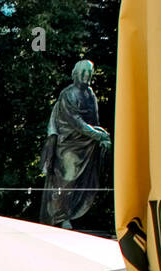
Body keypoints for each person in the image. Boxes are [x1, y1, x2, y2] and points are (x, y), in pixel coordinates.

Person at [41, 59, 111, 229]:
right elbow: (76, 122)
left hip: (86, 145)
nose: (87, 76)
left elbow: (93, 120)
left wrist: (101, 135)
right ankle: (59, 216)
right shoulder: (68, 94)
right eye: (83, 72)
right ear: (76, 74)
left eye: (89, 72)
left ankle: (74, 214)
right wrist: (98, 135)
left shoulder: (90, 94)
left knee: (85, 181)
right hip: (68, 145)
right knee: (67, 178)